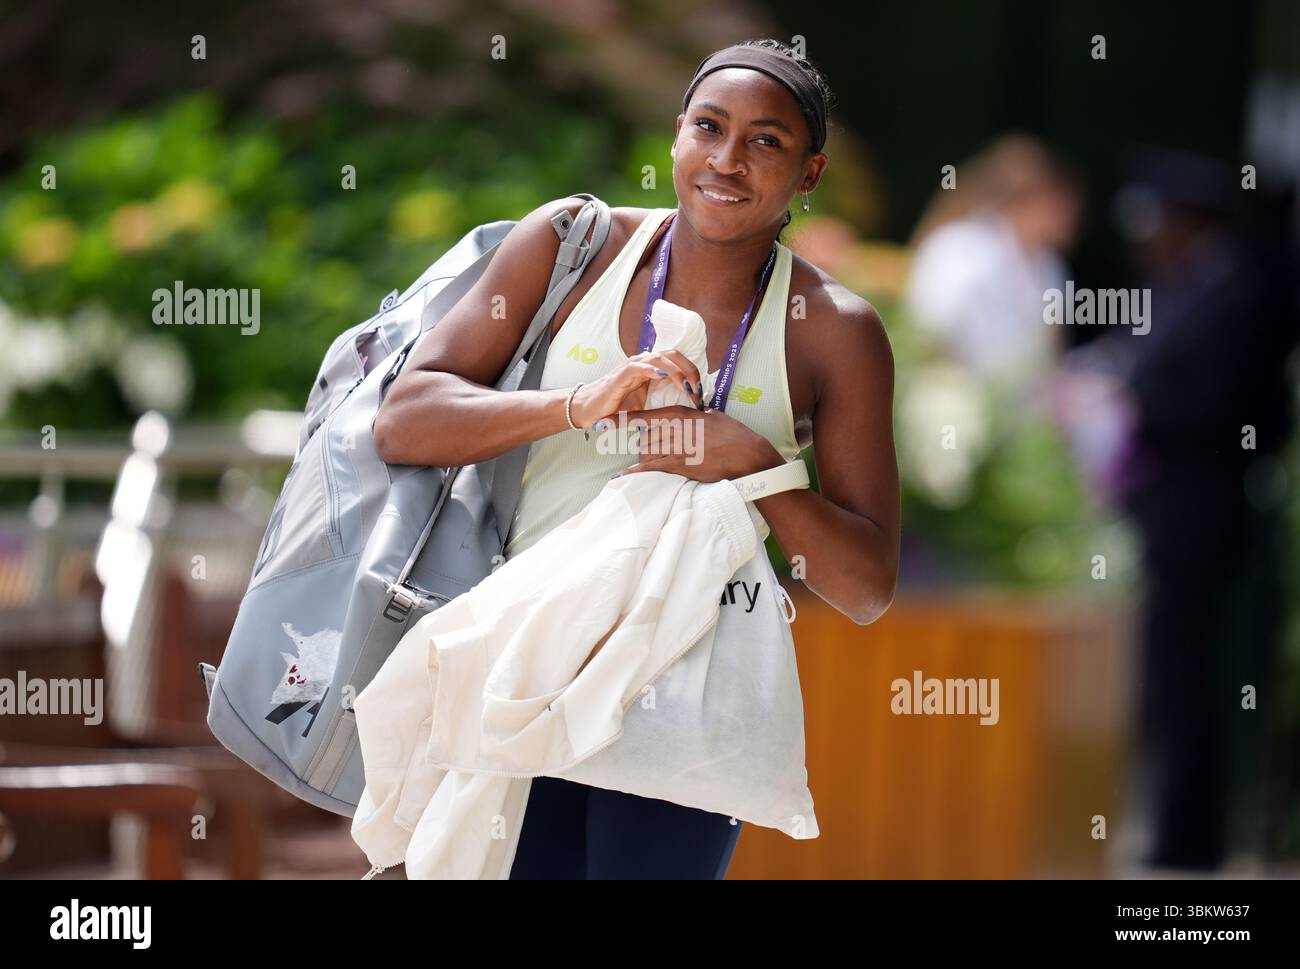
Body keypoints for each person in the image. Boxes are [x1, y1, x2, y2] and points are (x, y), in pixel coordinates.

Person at [372, 38, 901, 879]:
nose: (728, 160)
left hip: (686, 707)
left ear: (809, 174)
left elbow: (865, 584)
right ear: (677, 136)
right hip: (524, 669)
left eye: (767, 141)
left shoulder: (835, 330)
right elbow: (404, 420)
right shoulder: (573, 246)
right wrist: (577, 404)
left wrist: (750, 464)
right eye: (709, 127)